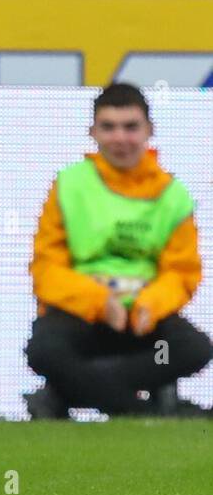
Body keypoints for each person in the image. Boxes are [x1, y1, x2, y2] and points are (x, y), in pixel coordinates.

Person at [24, 82, 211, 418]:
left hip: (144, 329)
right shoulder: (70, 185)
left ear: (149, 130)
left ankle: (64, 394)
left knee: (190, 349)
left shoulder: (172, 195)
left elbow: (181, 273)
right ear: (93, 131)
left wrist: (148, 306)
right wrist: (99, 302)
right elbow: (46, 269)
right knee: (44, 351)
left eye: (130, 127)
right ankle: (150, 412)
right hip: (83, 321)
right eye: (108, 127)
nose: (120, 138)